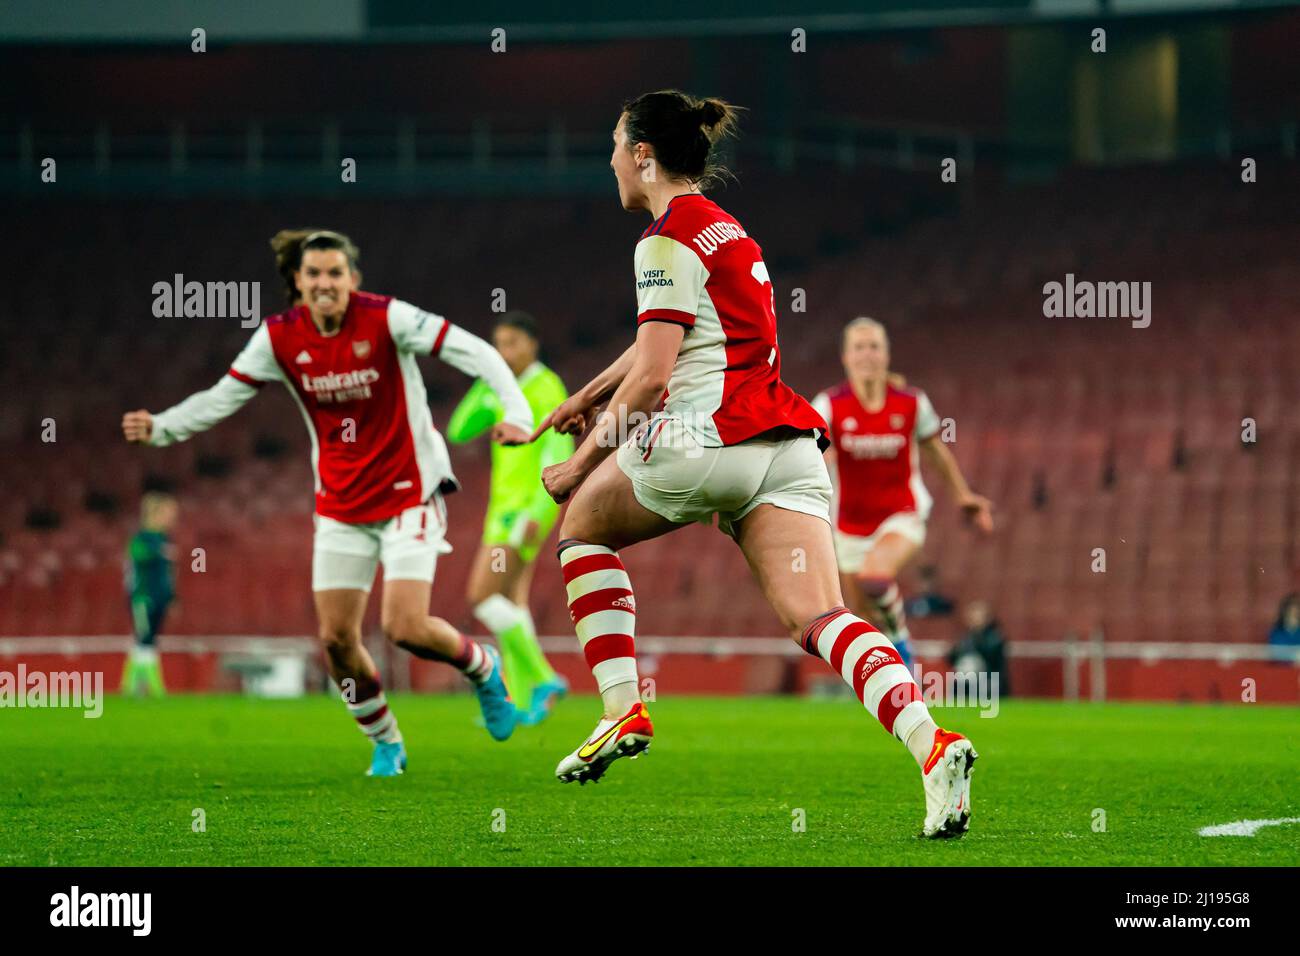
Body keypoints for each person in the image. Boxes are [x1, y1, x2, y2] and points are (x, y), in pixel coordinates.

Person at [529, 90, 977, 838]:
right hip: (785, 449)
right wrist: (587, 393)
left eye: (614, 143)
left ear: (643, 155)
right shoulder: (728, 230)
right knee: (822, 618)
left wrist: (579, 463)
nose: (607, 158)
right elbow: (658, 349)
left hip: (699, 443)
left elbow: (652, 377)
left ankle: (620, 707)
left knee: (581, 528)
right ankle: (932, 745)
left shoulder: (663, 238)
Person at [122, 229, 532, 776]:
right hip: (340, 503)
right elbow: (223, 397)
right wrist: (162, 427)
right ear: (297, 281)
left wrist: (517, 411)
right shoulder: (277, 339)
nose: (325, 283)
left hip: (410, 489)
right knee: (337, 641)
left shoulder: (387, 318)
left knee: (404, 627)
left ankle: (482, 666)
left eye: (336, 273)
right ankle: (386, 741)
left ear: (352, 280)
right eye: (314, 274)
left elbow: (472, 348)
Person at [812, 318, 994, 672]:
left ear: (887, 354)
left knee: (874, 576)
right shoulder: (830, 405)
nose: (867, 354)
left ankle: (901, 642)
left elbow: (936, 451)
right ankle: (889, 680)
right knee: (862, 618)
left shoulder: (911, 402)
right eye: (859, 347)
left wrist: (963, 495)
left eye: (874, 346)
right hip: (848, 524)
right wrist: (820, 453)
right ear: (846, 357)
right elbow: (809, 446)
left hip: (903, 513)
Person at [446, 311, 574, 723]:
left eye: (513, 343)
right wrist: (488, 384)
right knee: (511, 602)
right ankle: (521, 700)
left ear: (532, 345)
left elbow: (559, 451)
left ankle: (542, 676)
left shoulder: (545, 386)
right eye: (498, 344)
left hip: (524, 511)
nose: (505, 352)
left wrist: (540, 508)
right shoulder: (501, 388)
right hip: (499, 509)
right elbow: (459, 430)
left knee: (481, 596)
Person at [122, 491, 178, 697]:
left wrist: (172, 597)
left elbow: (168, 573)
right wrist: (158, 553)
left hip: (160, 597)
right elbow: (137, 559)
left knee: (148, 639)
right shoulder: (141, 539)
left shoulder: (165, 539)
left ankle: (130, 684)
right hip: (142, 597)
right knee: (145, 639)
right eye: (168, 512)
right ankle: (153, 686)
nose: (172, 517)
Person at [947, 600, 1009, 698]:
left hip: (988, 678)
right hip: (967, 680)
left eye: (978, 616)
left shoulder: (995, 636)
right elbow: (951, 657)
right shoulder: (966, 637)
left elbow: (992, 656)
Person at [1267, 593, 1300, 662]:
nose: (1295, 612)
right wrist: (1293, 657)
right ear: (1285, 611)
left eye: (1297, 609)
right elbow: (1276, 654)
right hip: (1282, 670)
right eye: (1291, 609)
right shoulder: (1277, 632)